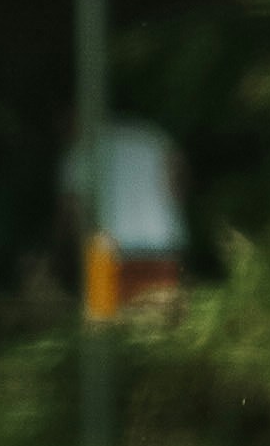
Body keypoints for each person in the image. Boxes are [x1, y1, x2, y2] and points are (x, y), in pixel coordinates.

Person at [61, 111, 191, 312]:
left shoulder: (82, 150)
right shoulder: (153, 137)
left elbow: (73, 210)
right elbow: (178, 182)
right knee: (160, 323)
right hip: (161, 244)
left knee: (105, 325)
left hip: (107, 250)